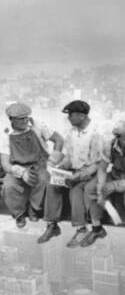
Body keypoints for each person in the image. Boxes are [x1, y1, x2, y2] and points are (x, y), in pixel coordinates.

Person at [82, 119, 125, 253]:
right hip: (116, 173)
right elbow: (102, 169)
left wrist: (118, 184)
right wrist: (101, 186)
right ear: (118, 138)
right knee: (91, 188)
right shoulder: (109, 145)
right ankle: (97, 228)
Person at [45, 100, 104, 247]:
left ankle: (81, 228)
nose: (69, 118)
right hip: (74, 172)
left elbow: (98, 164)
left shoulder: (96, 133)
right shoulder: (72, 132)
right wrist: (59, 168)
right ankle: (52, 224)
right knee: (52, 184)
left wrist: (78, 176)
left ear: (81, 116)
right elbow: (68, 157)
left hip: (91, 174)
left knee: (75, 191)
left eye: (71, 115)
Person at [1, 103, 64, 232]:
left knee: (43, 180)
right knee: (8, 186)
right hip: (17, 166)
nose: (25, 121)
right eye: (21, 118)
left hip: (39, 164)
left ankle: (34, 209)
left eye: (26, 117)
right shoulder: (5, 134)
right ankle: (19, 214)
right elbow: (6, 164)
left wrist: (53, 160)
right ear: (11, 119)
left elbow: (59, 139)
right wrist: (21, 172)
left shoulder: (37, 125)